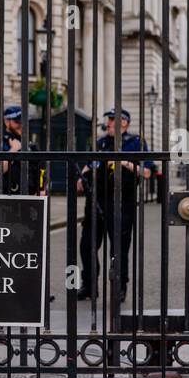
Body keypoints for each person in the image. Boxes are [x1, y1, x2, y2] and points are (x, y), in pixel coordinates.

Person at [76, 108, 152, 304]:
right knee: (87, 245)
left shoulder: (136, 143)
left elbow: (147, 172)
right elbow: (89, 164)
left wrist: (124, 162)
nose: (109, 123)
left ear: (124, 123)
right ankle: (89, 285)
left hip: (122, 201)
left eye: (113, 120)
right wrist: (81, 176)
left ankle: (120, 286)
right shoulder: (101, 143)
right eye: (108, 120)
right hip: (96, 200)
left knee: (118, 248)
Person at [0, 104, 36, 194]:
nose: (22, 125)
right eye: (18, 122)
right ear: (6, 121)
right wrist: (13, 150)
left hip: (31, 197)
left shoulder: (30, 144)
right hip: (6, 199)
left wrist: (42, 189)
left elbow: (40, 169)